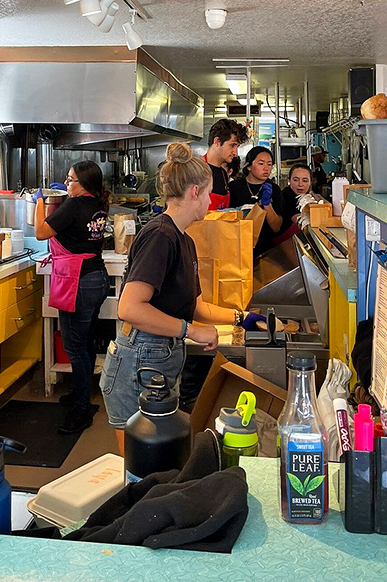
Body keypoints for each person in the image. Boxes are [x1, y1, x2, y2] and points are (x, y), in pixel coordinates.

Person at [100, 142, 245, 454]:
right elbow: (129, 307)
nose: (210, 201)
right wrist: (190, 330)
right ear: (194, 192)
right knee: (139, 470)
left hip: (160, 358)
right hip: (138, 360)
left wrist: (241, 318)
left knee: (160, 466)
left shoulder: (184, 240)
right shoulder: (160, 236)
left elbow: (194, 306)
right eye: (207, 194)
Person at [34, 160, 110, 435]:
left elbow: (41, 232)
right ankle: (83, 397)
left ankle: (81, 410)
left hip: (77, 281)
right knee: (86, 341)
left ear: (84, 184)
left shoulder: (75, 205)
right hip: (96, 278)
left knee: (75, 347)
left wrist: (39, 202)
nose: (67, 184)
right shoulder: (97, 205)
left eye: (70, 180)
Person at [228, 146, 283, 257]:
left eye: (269, 164)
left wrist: (267, 204)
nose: (266, 168)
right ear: (248, 166)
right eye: (261, 164)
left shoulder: (274, 189)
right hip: (238, 248)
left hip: (267, 251)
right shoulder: (234, 187)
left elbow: (276, 227)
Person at [203, 118, 248, 210]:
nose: (235, 153)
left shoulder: (223, 173)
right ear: (217, 142)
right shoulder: (195, 170)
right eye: (232, 145)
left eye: (237, 146)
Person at [273, 164, 324, 244]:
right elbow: (300, 221)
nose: (300, 184)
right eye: (296, 180)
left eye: (305, 180)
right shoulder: (286, 196)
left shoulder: (307, 196)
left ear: (311, 182)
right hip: (282, 244)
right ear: (289, 180)